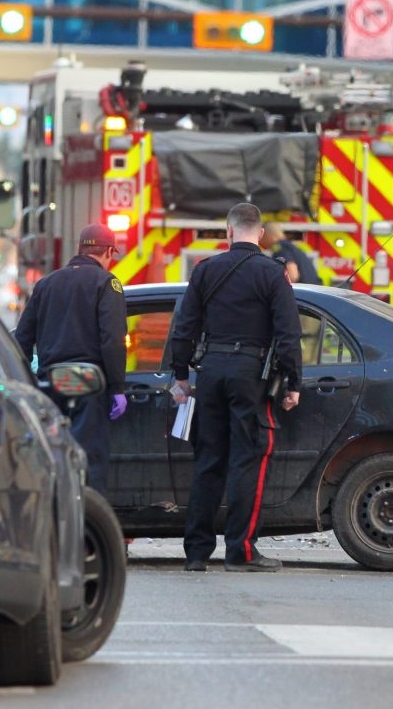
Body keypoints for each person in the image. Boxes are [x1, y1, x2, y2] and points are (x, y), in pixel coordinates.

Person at [170, 203, 303, 573]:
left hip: (210, 371)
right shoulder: (273, 274)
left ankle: (196, 553)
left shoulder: (205, 270)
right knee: (248, 460)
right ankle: (240, 551)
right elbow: (289, 334)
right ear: (259, 234)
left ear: (228, 232)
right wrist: (293, 383)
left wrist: (181, 375)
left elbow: (185, 327)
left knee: (209, 460)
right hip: (251, 375)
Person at [14, 223, 128, 495]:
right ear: (108, 252)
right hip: (88, 385)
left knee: (53, 458)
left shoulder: (45, 284)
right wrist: (117, 388)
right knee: (89, 462)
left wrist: (28, 383)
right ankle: (87, 526)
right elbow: (112, 340)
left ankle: (56, 523)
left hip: (51, 384)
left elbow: (22, 340)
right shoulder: (106, 283)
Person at [259, 220, 321, 284]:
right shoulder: (290, 247)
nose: (261, 242)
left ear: (268, 236)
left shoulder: (281, 249)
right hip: (312, 289)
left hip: (304, 292)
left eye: (262, 237)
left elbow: (292, 276)